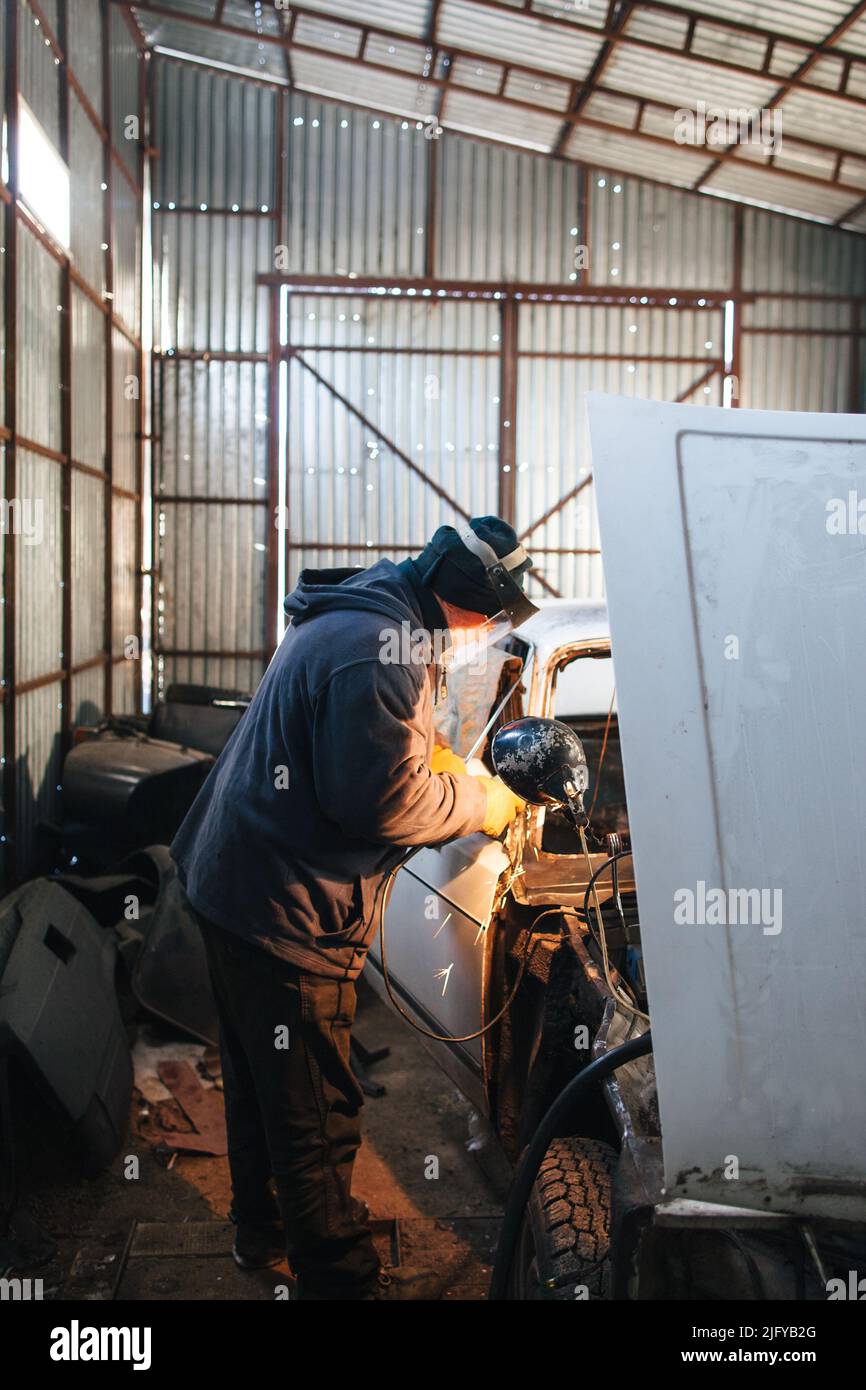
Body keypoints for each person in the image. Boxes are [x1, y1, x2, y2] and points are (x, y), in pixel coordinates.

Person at [170, 516, 537, 1299]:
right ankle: (337, 1277)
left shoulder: (374, 614)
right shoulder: (382, 647)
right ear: (470, 603)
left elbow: (376, 747)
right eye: (494, 620)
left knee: (262, 1085)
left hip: (232, 885)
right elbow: (381, 804)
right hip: (281, 910)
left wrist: (429, 753)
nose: (487, 638)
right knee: (315, 1111)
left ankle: (261, 1230)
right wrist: (482, 800)